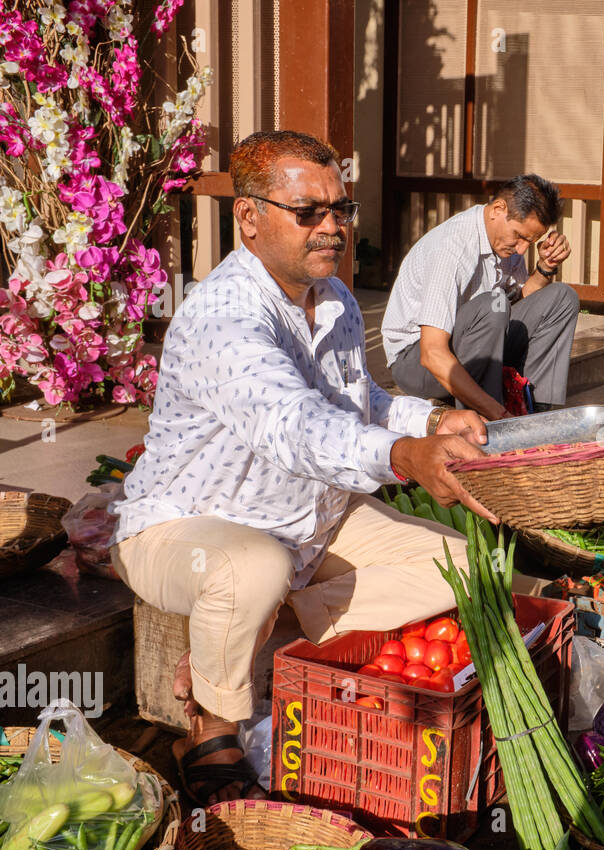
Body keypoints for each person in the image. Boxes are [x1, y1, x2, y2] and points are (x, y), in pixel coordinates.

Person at [109, 130, 503, 806]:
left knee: (472, 567)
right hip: (187, 527)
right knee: (249, 567)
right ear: (251, 218)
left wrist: (430, 422)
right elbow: (292, 425)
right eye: (308, 212)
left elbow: (361, 400)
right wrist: (402, 456)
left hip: (306, 517)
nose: (331, 228)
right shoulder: (223, 317)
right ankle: (210, 728)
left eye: (340, 210)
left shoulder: (337, 301)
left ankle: (257, 637)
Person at [381, 175, 580, 420]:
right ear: (498, 209)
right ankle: (488, 421)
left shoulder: (504, 242)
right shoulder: (452, 248)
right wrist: (497, 413)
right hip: (416, 363)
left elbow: (518, 303)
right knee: (493, 306)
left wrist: (545, 268)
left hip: (474, 344)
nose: (521, 249)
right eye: (519, 236)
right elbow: (431, 353)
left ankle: (536, 413)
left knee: (562, 298)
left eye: (530, 241)